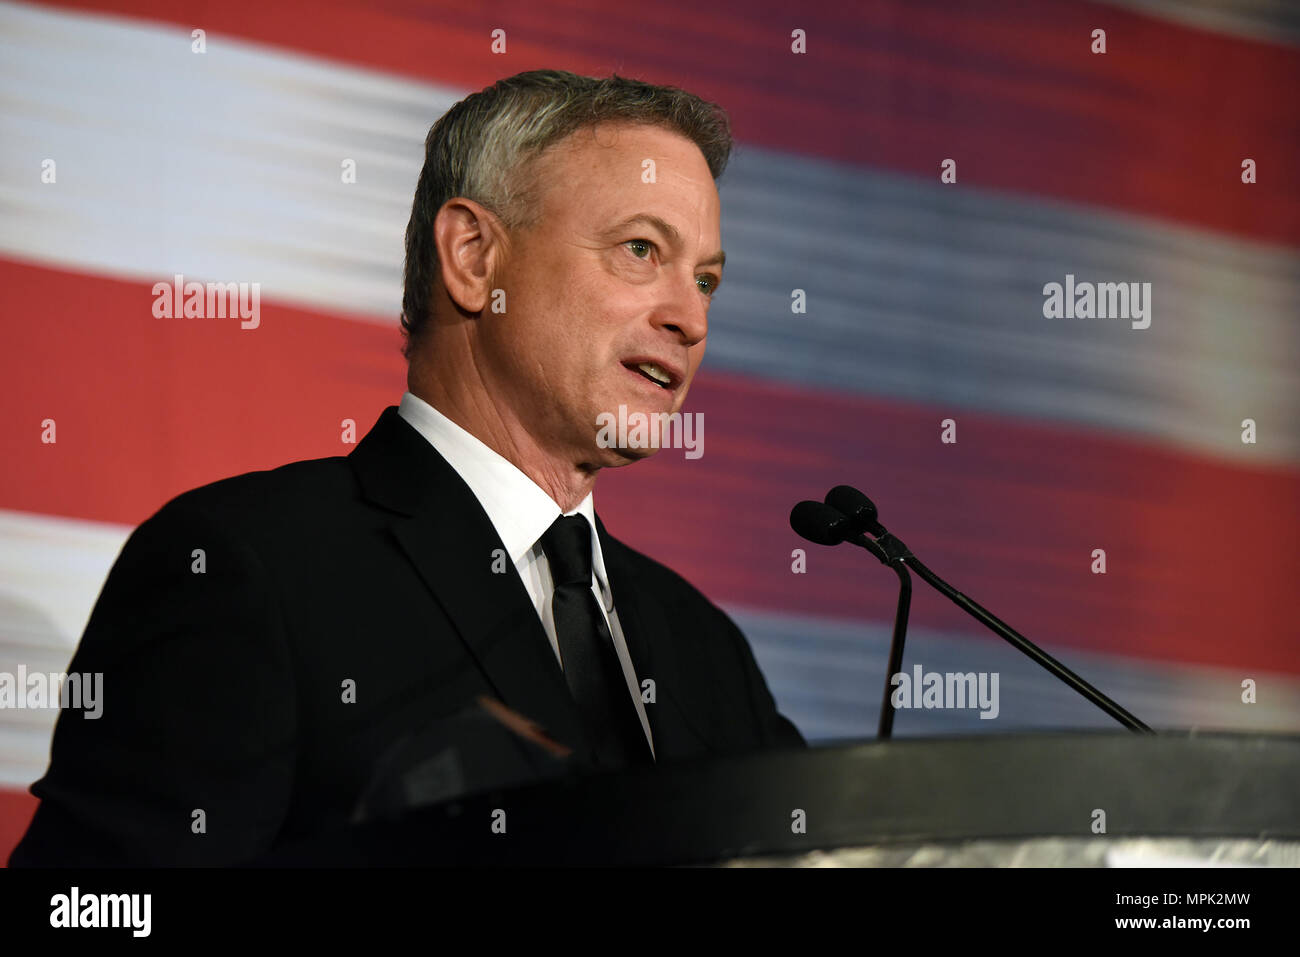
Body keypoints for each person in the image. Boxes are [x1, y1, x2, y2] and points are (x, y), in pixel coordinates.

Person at [9, 69, 804, 867]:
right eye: (641, 250)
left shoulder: (704, 649)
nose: (691, 318)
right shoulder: (247, 570)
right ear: (472, 256)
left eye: (705, 279)